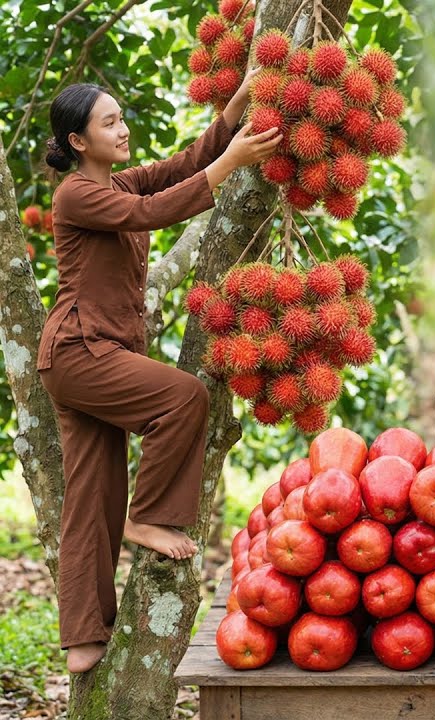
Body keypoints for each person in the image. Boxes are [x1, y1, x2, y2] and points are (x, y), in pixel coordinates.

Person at [37, 77, 280, 673]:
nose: (122, 130)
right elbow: (154, 211)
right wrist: (234, 162)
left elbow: (185, 166)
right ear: (77, 140)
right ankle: (147, 518)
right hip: (79, 350)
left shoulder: (116, 180)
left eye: (122, 118)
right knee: (183, 396)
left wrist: (238, 103)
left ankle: (83, 636)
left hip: (98, 352)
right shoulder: (74, 195)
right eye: (109, 123)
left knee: (91, 495)